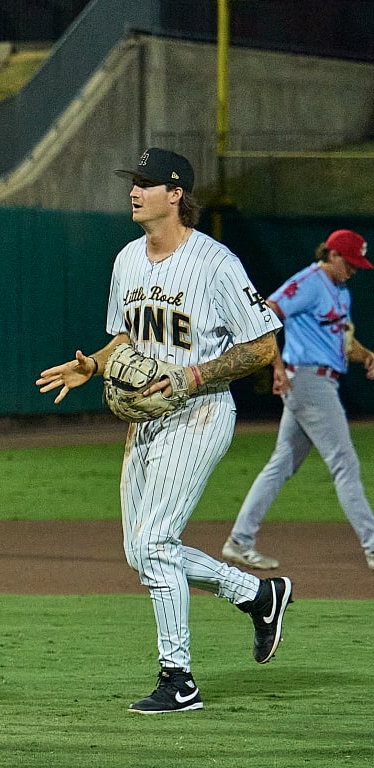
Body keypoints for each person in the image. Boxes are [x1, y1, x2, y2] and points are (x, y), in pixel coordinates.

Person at [36, 147, 293, 714]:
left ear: (176, 195)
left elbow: (263, 345)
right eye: (134, 181)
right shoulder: (127, 259)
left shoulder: (215, 262)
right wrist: (93, 366)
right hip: (146, 422)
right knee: (142, 550)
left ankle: (179, 678)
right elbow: (124, 340)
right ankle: (256, 593)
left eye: (147, 183)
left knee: (154, 543)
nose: (134, 191)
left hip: (200, 412)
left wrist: (194, 374)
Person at [224, 229, 374, 572]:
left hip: (317, 381)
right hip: (308, 382)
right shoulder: (308, 282)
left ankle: (239, 540)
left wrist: (367, 355)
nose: (353, 271)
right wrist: (276, 365)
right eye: (350, 263)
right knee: (345, 464)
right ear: (332, 255)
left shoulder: (340, 291)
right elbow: (265, 314)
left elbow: (343, 343)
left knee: (281, 465)